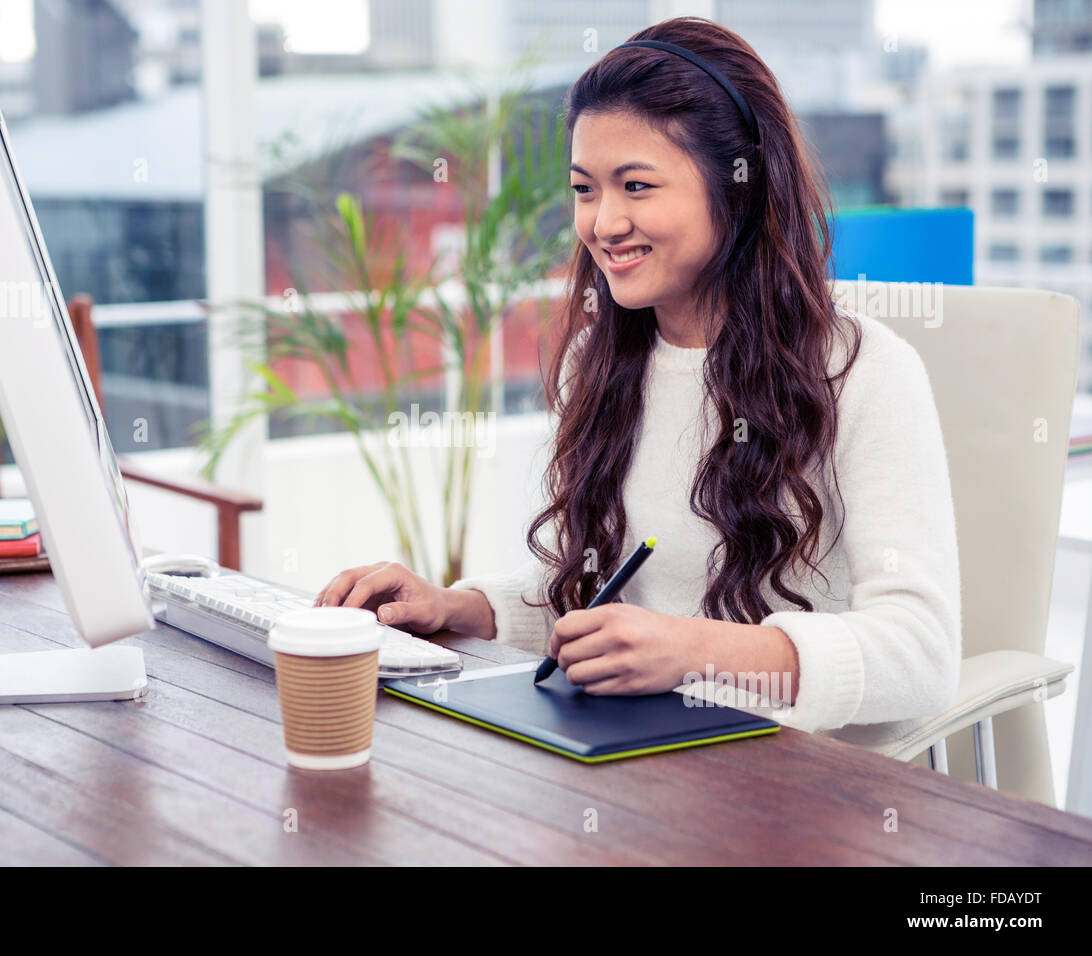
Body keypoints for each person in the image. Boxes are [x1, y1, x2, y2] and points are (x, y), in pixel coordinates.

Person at [315, 17, 961, 740]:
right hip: (647, 763)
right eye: (585, 188)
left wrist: (690, 652)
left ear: (738, 188)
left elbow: (923, 652)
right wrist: (456, 607)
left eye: (637, 185)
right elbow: (593, 592)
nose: (604, 221)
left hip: (800, 782)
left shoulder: (865, 372)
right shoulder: (600, 357)